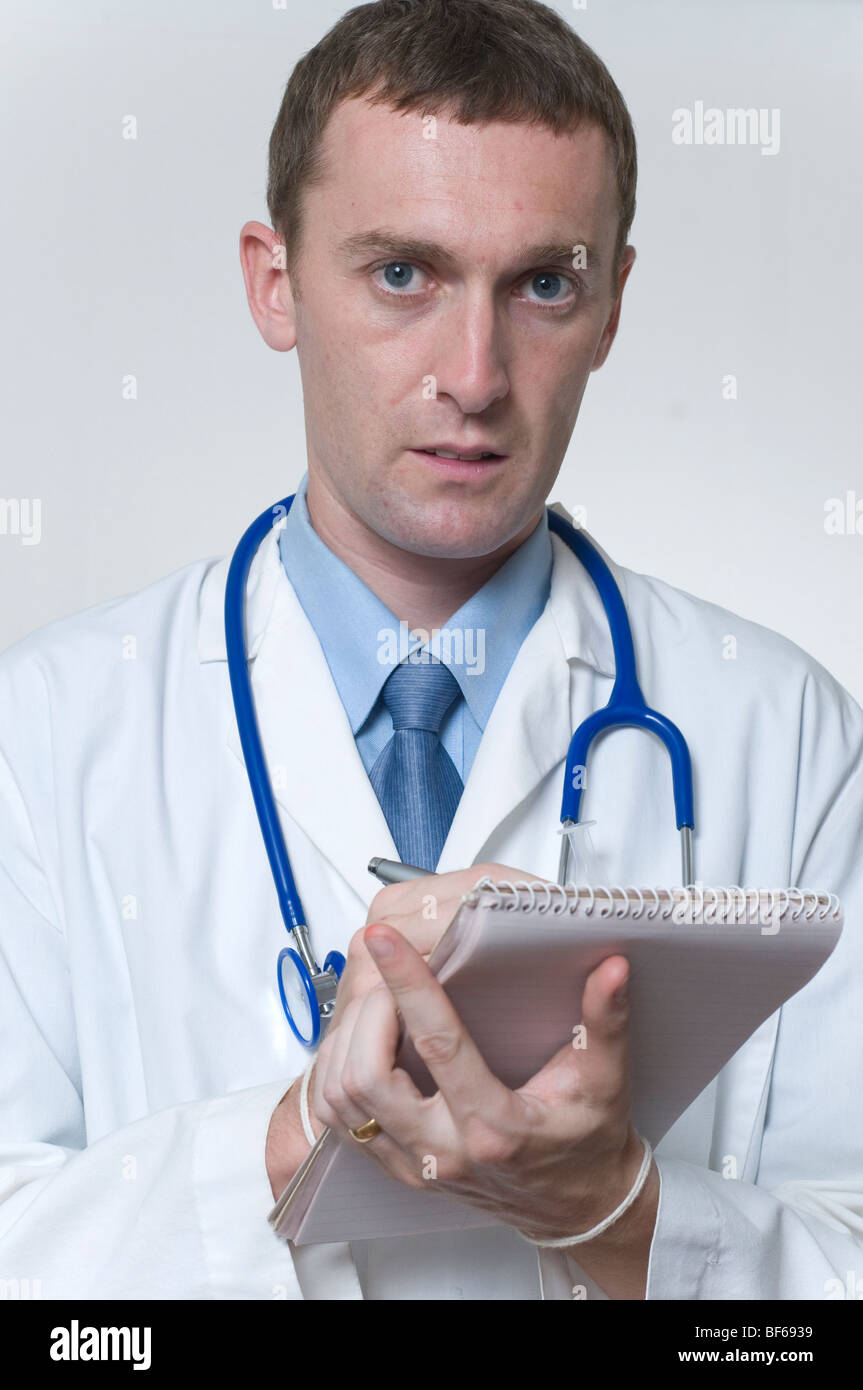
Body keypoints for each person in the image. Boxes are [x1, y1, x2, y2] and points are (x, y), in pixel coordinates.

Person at [1, 0, 861, 1303]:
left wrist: (624, 1215)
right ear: (274, 283)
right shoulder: (48, 730)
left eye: (543, 284)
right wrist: (292, 1137)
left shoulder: (780, 732)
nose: (475, 372)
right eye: (403, 272)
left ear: (616, 302)